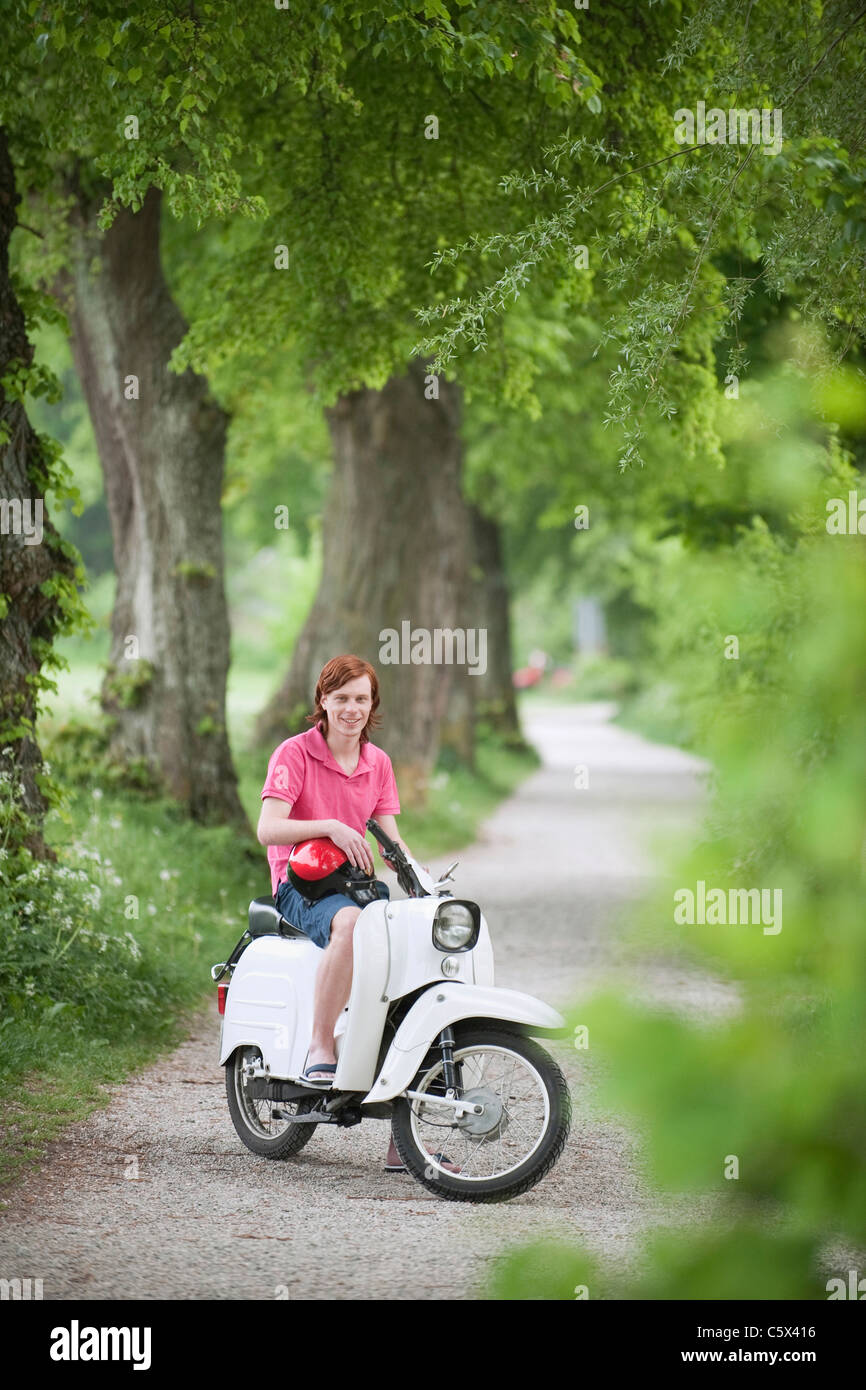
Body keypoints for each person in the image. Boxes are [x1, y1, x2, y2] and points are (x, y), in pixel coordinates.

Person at [257, 653, 456, 1174]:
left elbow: (391, 839)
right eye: (341, 698)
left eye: (361, 699)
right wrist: (332, 827)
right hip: (303, 884)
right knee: (350, 924)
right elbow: (269, 828)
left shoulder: (379, 763)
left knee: (413, 969)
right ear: (322, 700)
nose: (351, 709)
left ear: (373, 706)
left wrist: (425, 887)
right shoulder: (295, 753)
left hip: (358, 886)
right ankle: (321, 1047)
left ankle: (404, 1135)